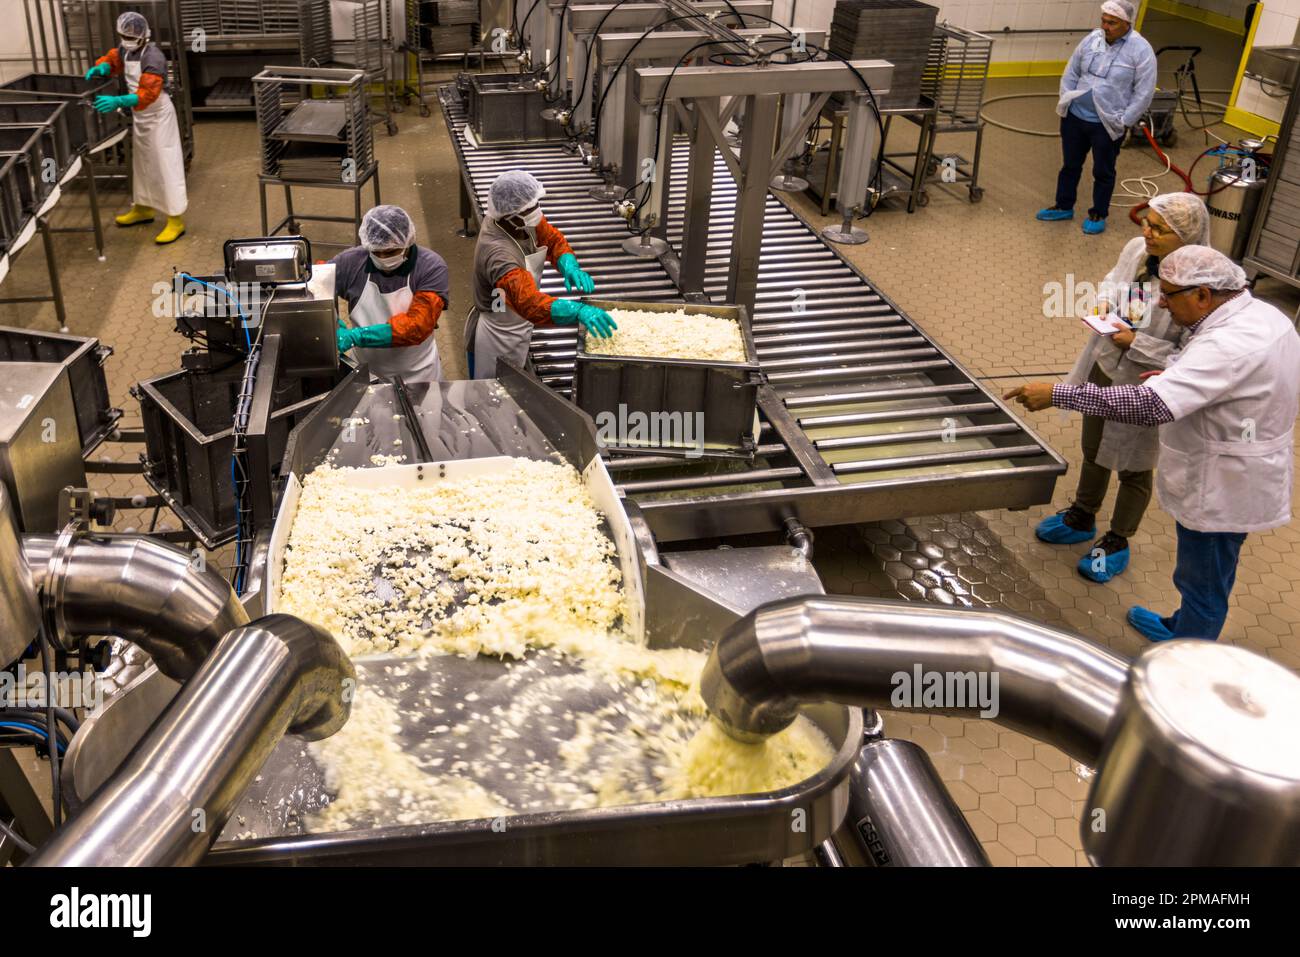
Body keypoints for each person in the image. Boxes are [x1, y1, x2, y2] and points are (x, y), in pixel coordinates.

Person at [1005, 246, 1300, 642]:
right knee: (1207, 573)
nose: (1161, 301)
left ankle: (1187, 658)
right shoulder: (1264, 316)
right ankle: (1182, 628)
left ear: (1202, 295)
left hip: (1223, 486)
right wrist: (1179, 372)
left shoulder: (1228, 345)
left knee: (1203, 582)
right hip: (1241, 466)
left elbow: (1150, 404)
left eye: (1169, 294)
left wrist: (1061, 394)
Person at [1035, 193, 1211, 583]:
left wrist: (1138, 343)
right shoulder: (1137, 249)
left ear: (1185, 236)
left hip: (1149, 384)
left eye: (1158, 228)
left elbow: (1193, 355)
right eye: (1146, 222)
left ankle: (1118, 538)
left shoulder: (1200, 286)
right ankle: (1083, 515)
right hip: (1105, 363)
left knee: (1135, 464)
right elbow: (1113, 280)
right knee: (1093, 447)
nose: (1145, 231)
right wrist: (1101, 306)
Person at [469, 169, 615, 379]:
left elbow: (552, 239)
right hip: (499, 333)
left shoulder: (520, 221)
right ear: (512, 216)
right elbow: (529, 303)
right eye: (532, 208)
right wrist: (577, 310)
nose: (538, 211)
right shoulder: (499, 253)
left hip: (520, 322)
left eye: (537, 204)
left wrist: (569, 266)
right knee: (494, 395)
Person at [1036, 1, 1156, 235]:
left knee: (1103, 170)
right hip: (1075, 117)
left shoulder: (1141, 50)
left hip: (1107, 123)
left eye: (1112, 22)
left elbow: (1144, 91)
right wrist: (1066, 100)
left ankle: (1098, 213)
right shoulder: (1093, 39)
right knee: (1070, 165)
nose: (1105, 26)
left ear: (1126, 23)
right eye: (1103, 20)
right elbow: (1072, 71)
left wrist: (1124, 121)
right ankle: (1063, 206)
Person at [85, 11, 188, 245]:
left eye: (130, 36)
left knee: (165, 164)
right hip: (141, 116)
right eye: (123, 36)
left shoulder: (153, 56)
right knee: (143, 163)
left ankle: (175, 220)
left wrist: (118, 101)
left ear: (143, 36)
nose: (126, 40)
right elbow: (113, 60)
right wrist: (101, 68)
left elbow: (148, 93)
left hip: (158, 114)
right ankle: (143, 209)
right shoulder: (126, 50)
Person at [331, 205, 451, 383]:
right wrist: (331, 319)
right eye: (376, 252)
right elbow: (316, 286)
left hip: (419, 373)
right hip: (366, 370)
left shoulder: (431, 267)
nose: (383, 258)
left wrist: (356, 336)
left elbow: (417, 326)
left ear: (407, 242)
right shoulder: (349, 262)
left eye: (391, 252)